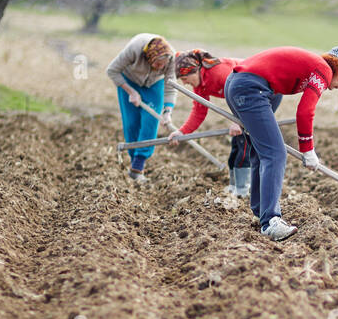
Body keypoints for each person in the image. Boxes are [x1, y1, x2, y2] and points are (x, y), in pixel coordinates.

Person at [222, 44, 338, 241]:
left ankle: (260, 210)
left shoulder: (315, 66)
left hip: (239, 84)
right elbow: (305, 112)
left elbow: (278, 85)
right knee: (275, 154)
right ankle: (270, 221)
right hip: (250, 88)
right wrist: (308, 150)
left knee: (262, 152)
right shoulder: (323, 70)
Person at [167, 49, 253, 198]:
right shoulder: (200, 85)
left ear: (194, 70)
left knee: (243, 141)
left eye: (184, 78)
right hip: (243, 100)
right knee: (235, 144)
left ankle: (243, 190)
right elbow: (199, 112)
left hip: (258, 92)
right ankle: (234, 186)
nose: (184, 83)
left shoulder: (219, 73)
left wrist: (240, 122)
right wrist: (182, 132)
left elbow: (245, 94)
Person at [106, 34, 177, 184]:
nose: (161, 67)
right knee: (132, 123)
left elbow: (171, 86)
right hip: (129, 81)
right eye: (158, 65)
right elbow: (112, 70)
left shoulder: (171, 59)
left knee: (150, 121)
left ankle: (138, 167)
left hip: (154, 85)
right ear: (149, 58)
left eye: (163, 65)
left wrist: (167, 112)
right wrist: (131, 92)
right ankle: (133, 160)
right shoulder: (135, 49)